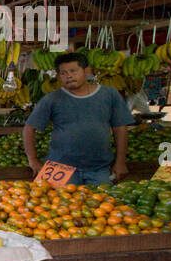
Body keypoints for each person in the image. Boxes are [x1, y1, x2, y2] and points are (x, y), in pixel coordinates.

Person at [24, 51, 134, 186]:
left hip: (99, 168)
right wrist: (33, 160)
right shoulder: (51, 99)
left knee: (103, 204)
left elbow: (120, 128)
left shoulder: (109, 94)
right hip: (59, 167)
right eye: (63, 73)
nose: (68, 76)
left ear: (86, 70)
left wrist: (120, 162)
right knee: (56, 204)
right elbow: (29, 128)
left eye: (73, 71)